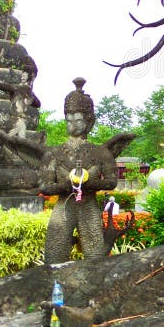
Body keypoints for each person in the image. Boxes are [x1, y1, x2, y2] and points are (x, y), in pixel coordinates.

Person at [39, 78, 118, 263]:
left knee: (95, 257)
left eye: (78, 119)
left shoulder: (100, 152)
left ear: (89, 121)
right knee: (54, 256)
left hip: (89, 206)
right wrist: (68, 184)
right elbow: (44, 186)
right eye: (69, 119)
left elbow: (111, 181)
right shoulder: (54, 153)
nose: (73, 124)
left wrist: (88, 183)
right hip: (64, 207)